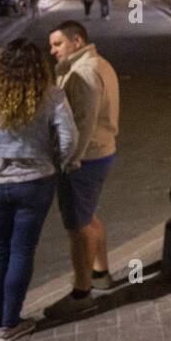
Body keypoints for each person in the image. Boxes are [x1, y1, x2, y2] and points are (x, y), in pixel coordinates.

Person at [0, 38, 78, 341]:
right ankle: (11, 323)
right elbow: (70, 138)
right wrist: (59, 162)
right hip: (35, 182)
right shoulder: (50, 94)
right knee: (22, 250)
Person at [45, 20, 121, 317]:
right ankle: (101, 274)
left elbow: (83, 122)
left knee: (77, 227)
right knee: (87, 216)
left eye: (57, 44)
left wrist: (70, 159)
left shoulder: (84, 72)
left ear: (76, 41)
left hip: (86, 157)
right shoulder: (98, 64)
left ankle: (82, 292)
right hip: (100, 151)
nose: (52, 51)